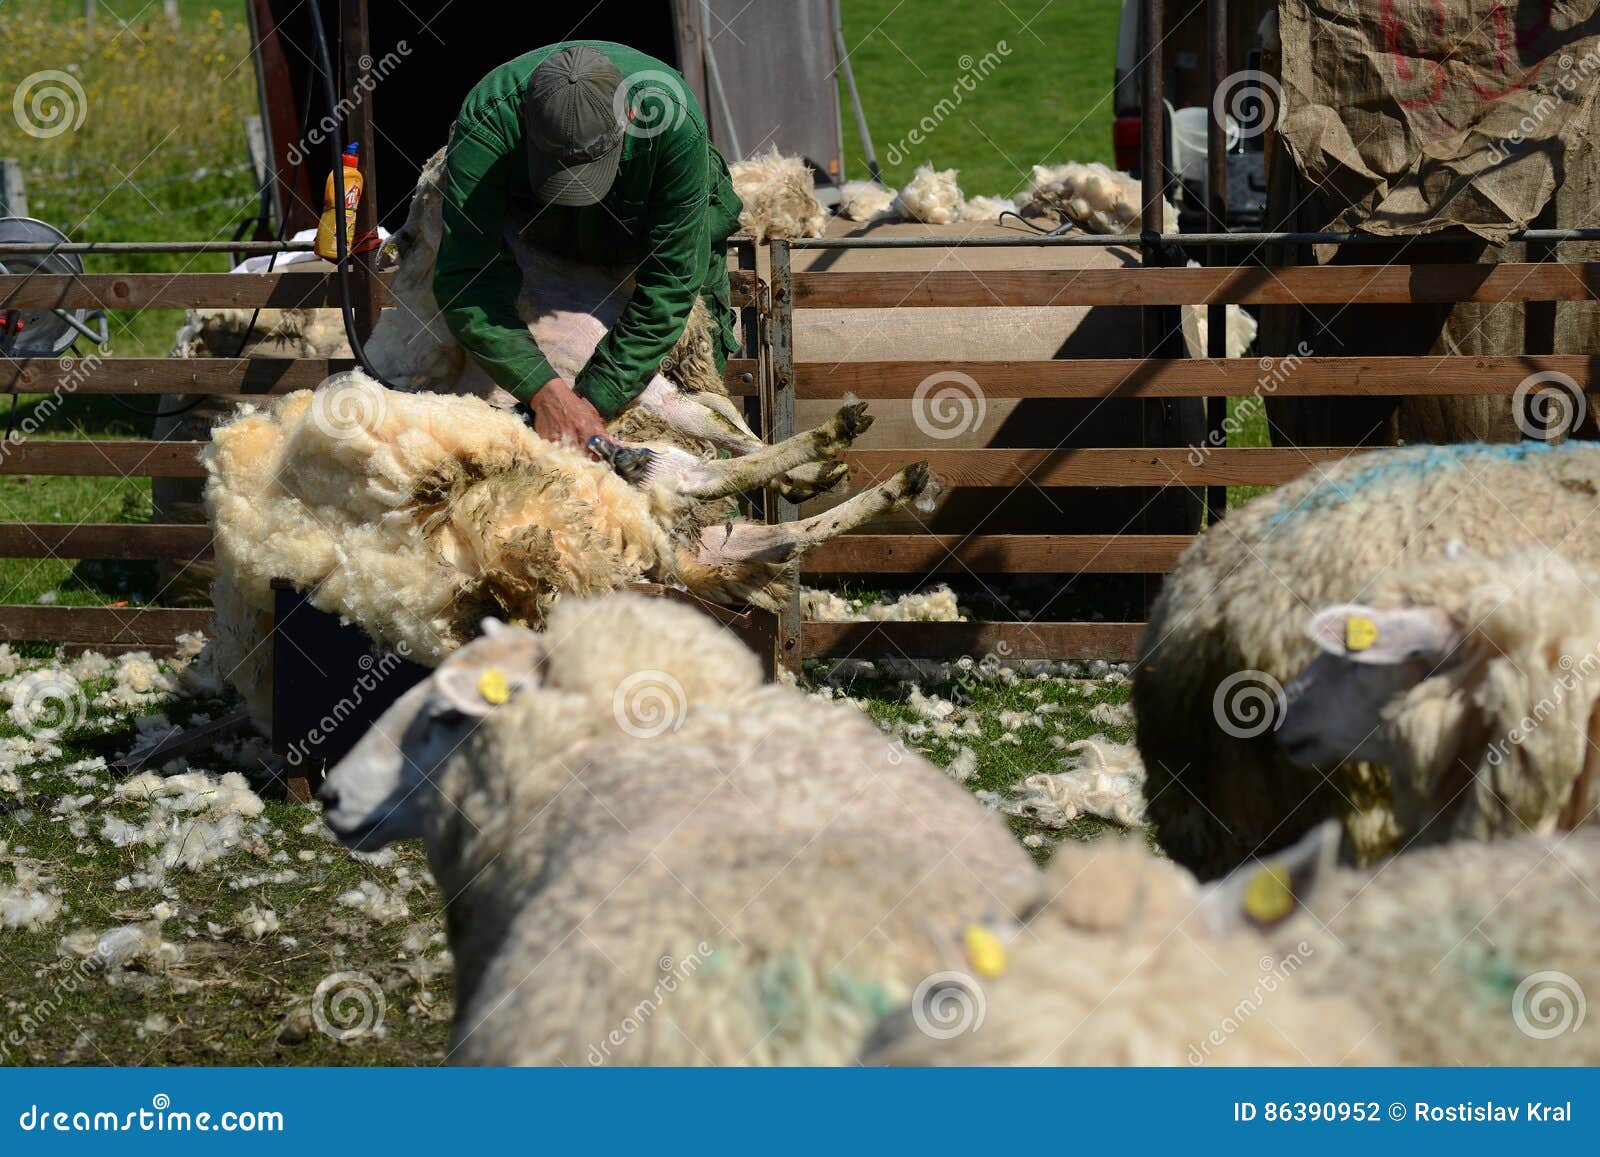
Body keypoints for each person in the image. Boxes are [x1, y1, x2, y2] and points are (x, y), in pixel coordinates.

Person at [433, 41, 744, 451]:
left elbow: (672, 282)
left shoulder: (672, 122)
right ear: (525, 115)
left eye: (590, 168)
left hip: (650, 233)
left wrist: (594, 398)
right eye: (560, 169)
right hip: (542, 242)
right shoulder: (490, 120)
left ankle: (711, 508)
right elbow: (468, 276)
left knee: (692, 399)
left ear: (631, 116)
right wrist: (545, 393)